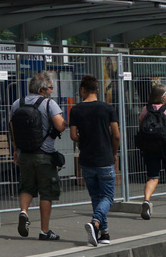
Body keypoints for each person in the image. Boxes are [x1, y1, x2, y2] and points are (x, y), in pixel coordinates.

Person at [9, 71, 66, 241]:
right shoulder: (49, 104)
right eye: (50, 88)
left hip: (24, 154)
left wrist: (16, 151)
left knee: (27, 187)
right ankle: (44, 230)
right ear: (42, 90)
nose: (51, 91)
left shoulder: (17, 103)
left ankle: (23, 212)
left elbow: (13, 130)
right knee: (46, 193)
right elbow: (60, 126)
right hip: (44, 155)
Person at [68, 74, 119, 246]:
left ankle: (104, 233)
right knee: (108, 197)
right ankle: (96, 222)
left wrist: (84, 138)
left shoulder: (75, 110)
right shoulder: (107, 108)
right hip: (105, 157)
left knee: (96, 196)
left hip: (87, 159)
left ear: (82, 90)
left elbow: (73, 135)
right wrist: (113, 152)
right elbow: (117, 135)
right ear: (97, 90)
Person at [138, 84, 166, 219]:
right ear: (163, 96)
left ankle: (146, 200)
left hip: (150, 147)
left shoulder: (145, 109)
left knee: (152, 177)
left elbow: (141, 129)